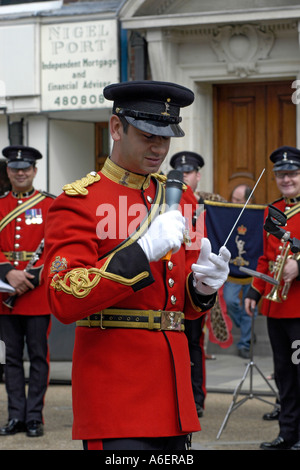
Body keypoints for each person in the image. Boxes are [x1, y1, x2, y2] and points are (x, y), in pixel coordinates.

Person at [43, 80, 230, 451]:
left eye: (166, 137)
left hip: (173, 390)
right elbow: (63, 295)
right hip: (116, 392)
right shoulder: (79, 200)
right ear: (117, 128)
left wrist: (203, 288)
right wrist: (141, 250)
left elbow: (179, 305)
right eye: (147, 135)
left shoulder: (175, 197)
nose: (159, 147)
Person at [245, 145, 300, 450]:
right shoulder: (272, 210)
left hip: (299, 308)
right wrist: (255, 289)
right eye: (281, 174)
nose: (286, 179)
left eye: (291, 173)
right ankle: (288, 433)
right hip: (276, 308)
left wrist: (299, 266)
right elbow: (265, 258)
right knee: (284, 374)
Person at [0, 145, 55, 438]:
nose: (20, 172)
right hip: (4, 294)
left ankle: (34, 417)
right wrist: (7, 271)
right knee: (9, 359)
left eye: (26, 168)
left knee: (37, 357)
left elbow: (57, 247)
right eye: (15, 168)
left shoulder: (50, 205)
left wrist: (30, 276)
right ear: (8, 171)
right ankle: (15, 417)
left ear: (34, 171)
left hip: (36, 294)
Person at [170, 151, 207, 418]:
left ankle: (196, 398)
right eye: (180, 170)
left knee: (193, 342)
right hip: (170, 281)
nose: (184, 174)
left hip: (194, 281)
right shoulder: (166, 199)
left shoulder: (200, 206)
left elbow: (200, 245)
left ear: (197, 175)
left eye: (189, 171)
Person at [223, 184, 257, 359]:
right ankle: (246, 328)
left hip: (252, 269)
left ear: (248, 201)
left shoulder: (258, 216)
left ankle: (245, 342)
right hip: (233, 269)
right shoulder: (228, 215)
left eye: (238, 201)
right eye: (233, 199)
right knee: (230, 302)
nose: (233, 203)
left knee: (250, 307)